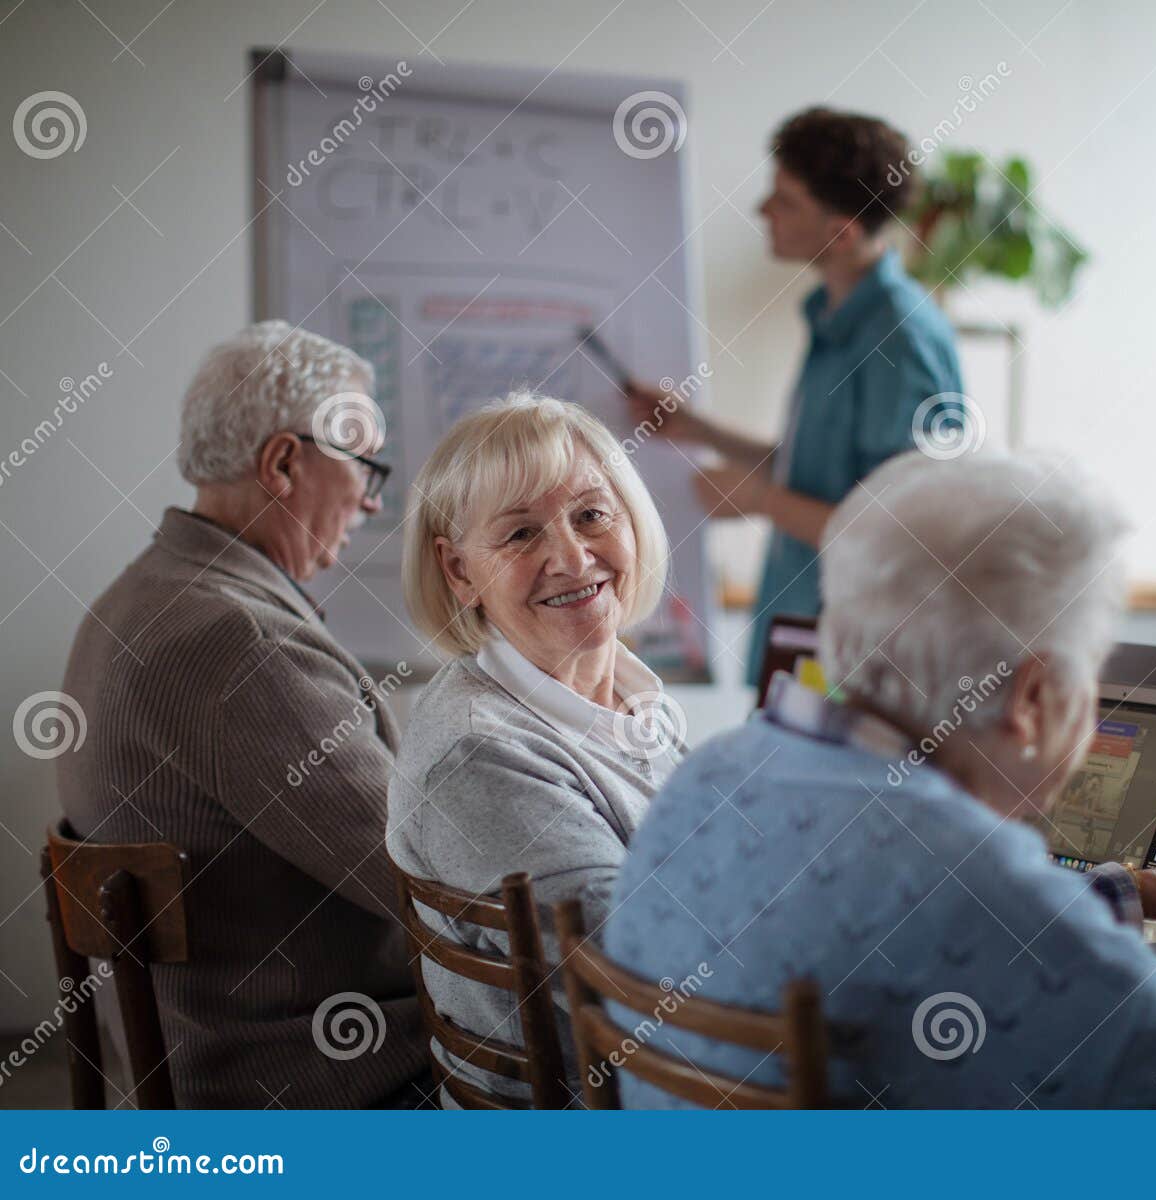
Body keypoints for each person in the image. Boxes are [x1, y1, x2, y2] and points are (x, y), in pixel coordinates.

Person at [602, 451, 1156, 1108]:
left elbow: (892, 941)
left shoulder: (710, 774)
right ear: (1034, 698)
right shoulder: (967, 876)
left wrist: (1131, 893)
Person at [57, 320, 428, 1108]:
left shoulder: (133, 599)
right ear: (285, 463)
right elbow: (422, 877)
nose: (369, 499)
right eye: (365, 466)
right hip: (311, 1085)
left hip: (199, 1063)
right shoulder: (240, 641)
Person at [388, 392, 679, 1105]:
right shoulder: (478, 755)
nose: (572, 557)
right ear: (459, 571)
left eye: (591, 515)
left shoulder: (637, 700)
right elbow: (651, 974)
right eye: (521, 535)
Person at [626, 106, 965, 684]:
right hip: (802, 636)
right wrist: (699, 430)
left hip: (858, 659)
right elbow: (817, 475)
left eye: (784, 199)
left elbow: (899, 532)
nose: (762, 210)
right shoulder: (836, 315)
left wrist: (759, 500)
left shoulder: (901, 338)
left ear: (842, 232)